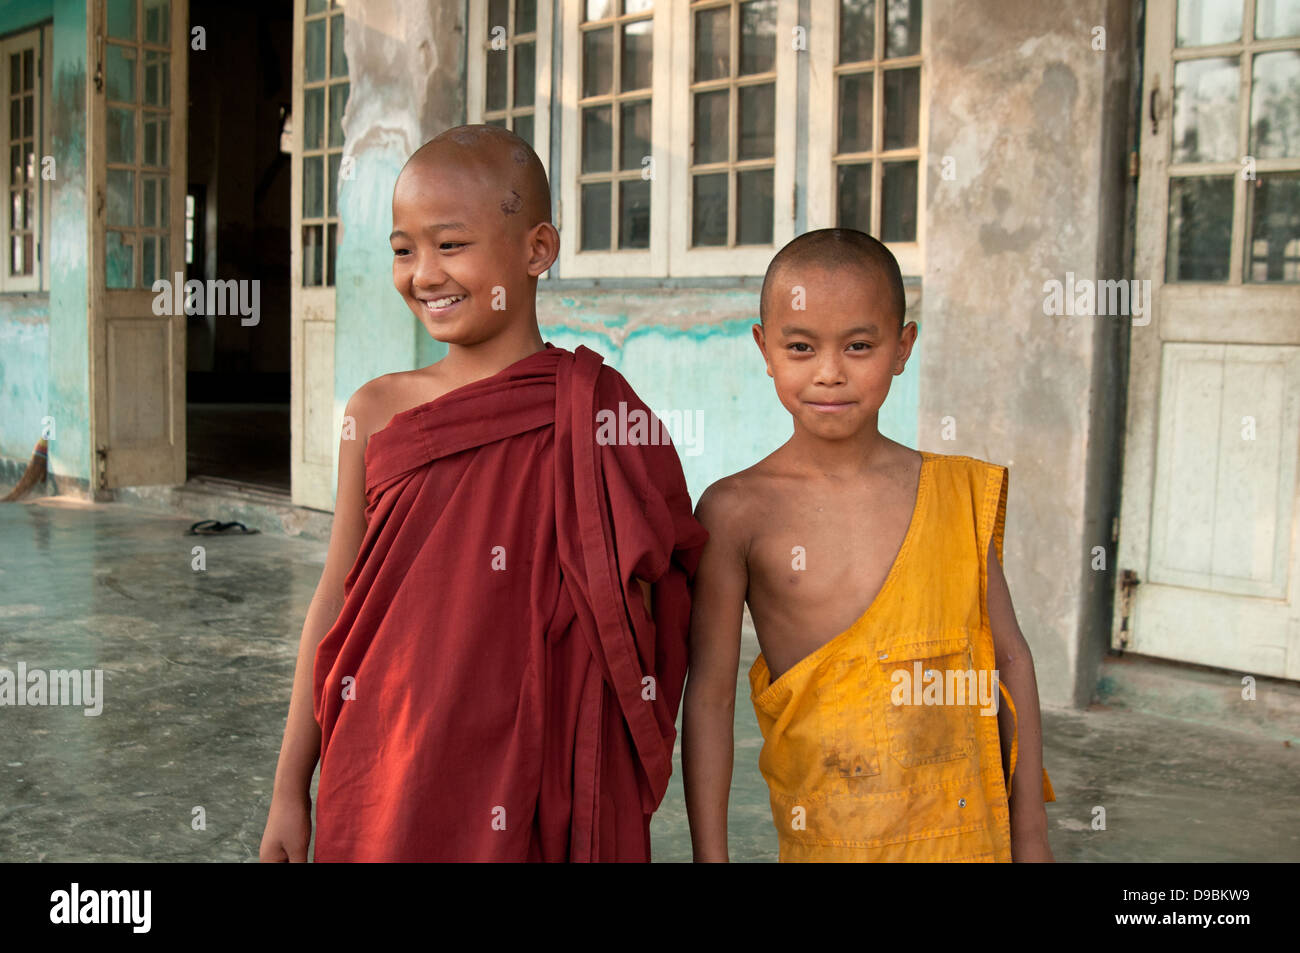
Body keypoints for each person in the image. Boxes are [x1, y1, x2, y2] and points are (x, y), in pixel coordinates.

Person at [259, 125, 706, 862]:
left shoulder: (596, 411)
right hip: (383, 762)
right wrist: (287, 788)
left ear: (537, 250)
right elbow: (336, 599)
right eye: (404, 249)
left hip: (532, 774)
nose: (423, 273)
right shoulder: (375, 411)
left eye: (451, 244)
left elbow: (659, 602)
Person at [683, 228, 1054, 862]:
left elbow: (1010, 661)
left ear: (903, 346)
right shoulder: (738, 510)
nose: (829, 373)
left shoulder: (955, 491)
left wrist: (1032, 839)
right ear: (763, 348)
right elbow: (710, 698)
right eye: (800, 347)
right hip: (831, 835)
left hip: (968, 838)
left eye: (859, 346)